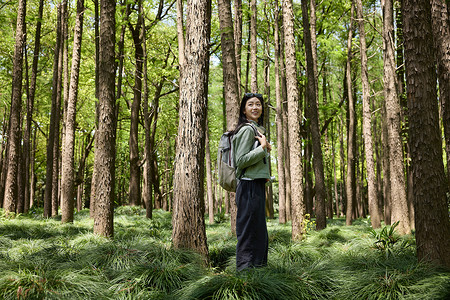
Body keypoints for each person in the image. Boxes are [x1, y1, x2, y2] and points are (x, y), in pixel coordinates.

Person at [232, 92, 271, 271]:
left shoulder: (256, 129)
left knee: (259, 235)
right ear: (243, 109)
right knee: (249, 234)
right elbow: (240, 161)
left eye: (258, 104)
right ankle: (245, 278)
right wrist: (262, 149)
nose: (255, 107)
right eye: (250, 104)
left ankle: (259, 275)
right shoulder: (247, 129)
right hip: (248, 186)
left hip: (256, 185)